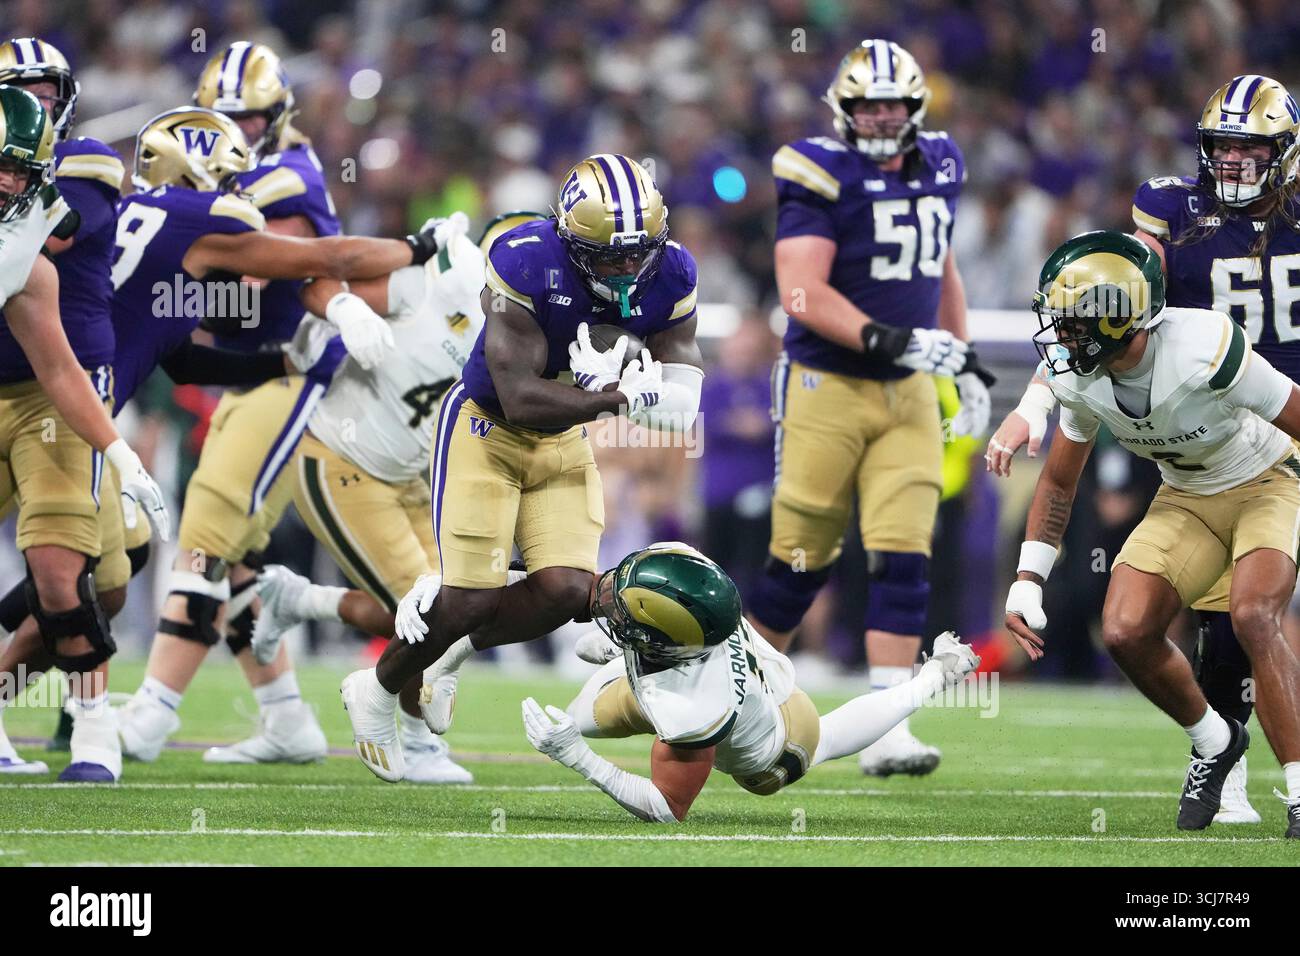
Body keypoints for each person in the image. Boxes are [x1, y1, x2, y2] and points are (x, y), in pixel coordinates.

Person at [988, 74, 1300, 823]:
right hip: (1186, 432)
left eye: (1247, 150)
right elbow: (1095, 305)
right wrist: (1033, 404)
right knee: (1175, 624)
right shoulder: (1171, 214)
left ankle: (1277, 781)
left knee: (1251, 616)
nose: (1229, 164)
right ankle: (1220, 755)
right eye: (1221, 149)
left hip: (1273, 424)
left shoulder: (1216, 340)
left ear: (1283, 155)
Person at [100, 105, 450, 763]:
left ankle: (150, 712)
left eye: (250, 115)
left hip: (294, 373)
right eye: (231, 117)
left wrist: (411, 252)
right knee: (226, 559)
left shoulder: (276, 180)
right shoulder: (211, 208)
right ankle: (287, 714)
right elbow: (188, 349)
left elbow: (315, 259)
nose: (243, 132)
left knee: (206, 532)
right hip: (266, 372)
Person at [339, 155, 705, 782]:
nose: (626, 268)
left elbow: (684, 406)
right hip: (486, 429)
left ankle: (447, 655)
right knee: (470, 599)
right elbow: (518, 395)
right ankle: (375, 688)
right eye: (610, 256)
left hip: (563, 440)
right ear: (571, 240)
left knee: (566, 590)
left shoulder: (671, 272)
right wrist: (618, 396)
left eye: (637, 252)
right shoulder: (526, 258)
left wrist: (640, 397)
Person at [744, 39, 992, 777]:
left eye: (893, 105)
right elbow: (801, 293)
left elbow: (939, 262)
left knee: (905, 555)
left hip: (909, 387)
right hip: (828, 384)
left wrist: (965, 355)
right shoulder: (819, 170)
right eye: (868, 105)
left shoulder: (941, 162)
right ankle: (739, 700)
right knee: (800, 560)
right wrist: (894, 339)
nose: (882, 117)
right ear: (843, 110)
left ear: (915, 108)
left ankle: (887, 729)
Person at [221, 223, 496, 782]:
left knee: (460, 608)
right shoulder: (432, 284)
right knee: (432, 616)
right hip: (342, 461)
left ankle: (299, 601)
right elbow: (311, 281)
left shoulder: (521, 335)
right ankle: (418, 743)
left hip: (410, 477)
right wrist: (348, 309)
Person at [512, 542, 979, 821]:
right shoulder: (682, 564)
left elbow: (665, 807)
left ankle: (934, 677)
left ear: (663, 644)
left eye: (621, 606)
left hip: (779, 744)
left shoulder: (691, 708)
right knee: (579, 714)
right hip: (740, 668)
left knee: (824, 740)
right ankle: (934, 676)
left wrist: (580, 759)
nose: (609, 597)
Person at [0, 82, 168, 781]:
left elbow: (61, 369)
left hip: (44, 404)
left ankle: (94, 727)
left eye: (20, 170)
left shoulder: (33, 261)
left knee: (63, 571)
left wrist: (121, 454)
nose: (9, 183)